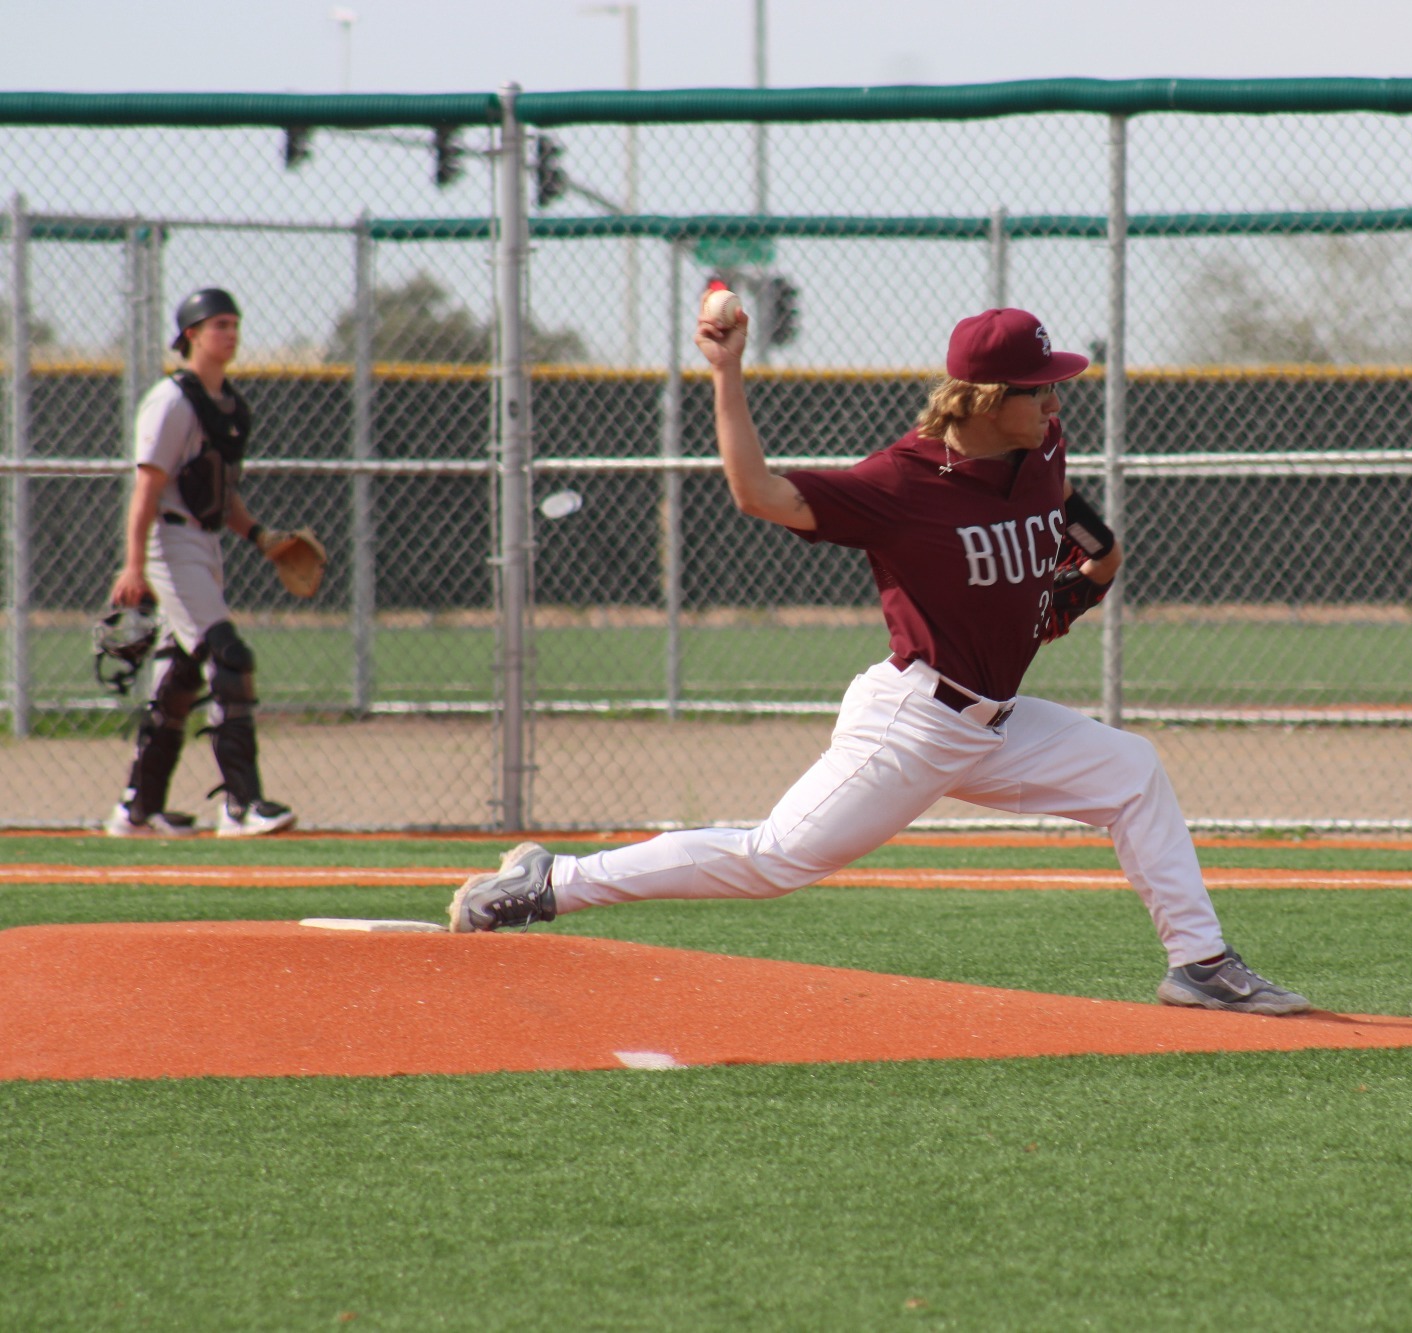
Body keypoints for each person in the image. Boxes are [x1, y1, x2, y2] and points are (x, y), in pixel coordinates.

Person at [449, 305, 1313, 1016]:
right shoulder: (900, 484)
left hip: (998, 723)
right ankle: (553, 879)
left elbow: (1084, 543)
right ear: (979, 397)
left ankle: (1199, 963)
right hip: (915, 719)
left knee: (1132, 770)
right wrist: (726, 371)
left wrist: (1078, 585)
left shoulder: (1040, 451)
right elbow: (757, 493)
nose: (1058, 404)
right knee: (774, 859)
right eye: (1040, 391)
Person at [104, 288, 299, 838]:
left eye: (235, 324)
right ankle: (242, 806)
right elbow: (148, 488)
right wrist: (134, 567)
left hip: (205, 544)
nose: (231, 334)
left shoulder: (231, 406)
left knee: (180, 677)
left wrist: (260, 537)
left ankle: (136, 808)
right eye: (218, 325)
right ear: (190, 334)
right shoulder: (170, 401)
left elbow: (218, 494)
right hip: (168, 545)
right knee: (228, 656)